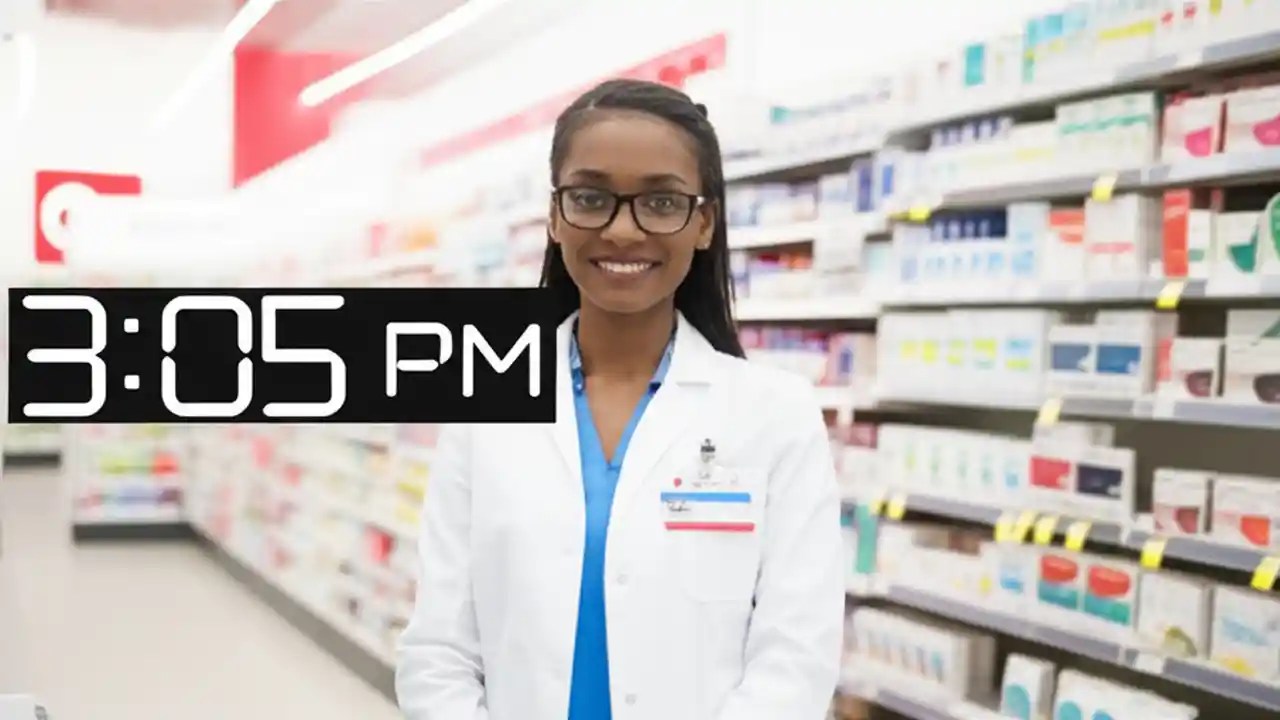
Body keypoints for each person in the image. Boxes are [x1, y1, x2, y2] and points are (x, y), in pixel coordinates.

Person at [397, 78, 845, 720]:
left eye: (661, 202)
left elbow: (795, 656)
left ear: (704, 222)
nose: (623, 229)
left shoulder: (774, 414)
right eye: (591, 197)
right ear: (554, 215)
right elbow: (439, 648)